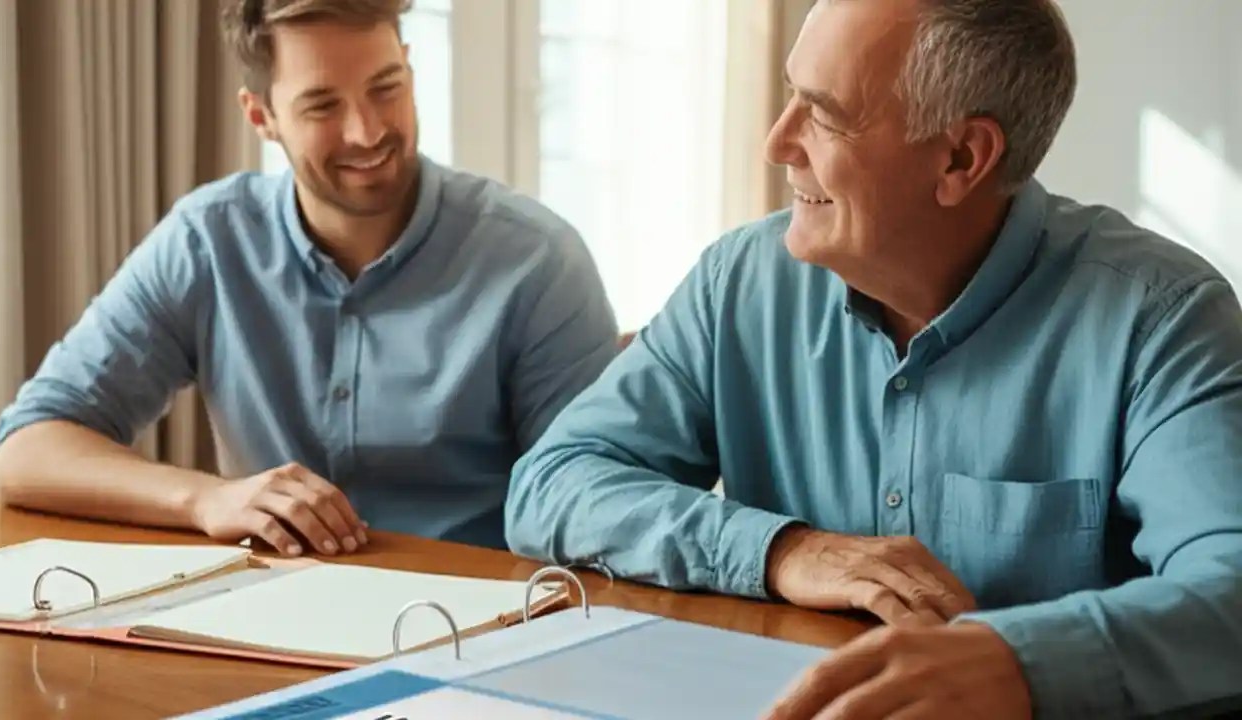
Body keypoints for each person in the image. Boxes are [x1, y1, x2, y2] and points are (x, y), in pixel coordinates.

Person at [505, 0, 1242, 717]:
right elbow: (553, 484)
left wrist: (1017, 660)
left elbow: (1232, 591)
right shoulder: (741, 282)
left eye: (823, 113)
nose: (779, 141)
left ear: (961, 157)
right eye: (792, 93)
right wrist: (782, 551)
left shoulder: (1162, 318)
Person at [0, 0, 617, 558]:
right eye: (323, 105)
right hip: (265, 628)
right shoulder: (209, 240)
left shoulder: (538, 261)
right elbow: (27, 450)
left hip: (474, 631)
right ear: (261, 116)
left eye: (385, 87)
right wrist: (206, 500)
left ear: (410, 67)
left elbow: (595, 496)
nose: (367, 131)